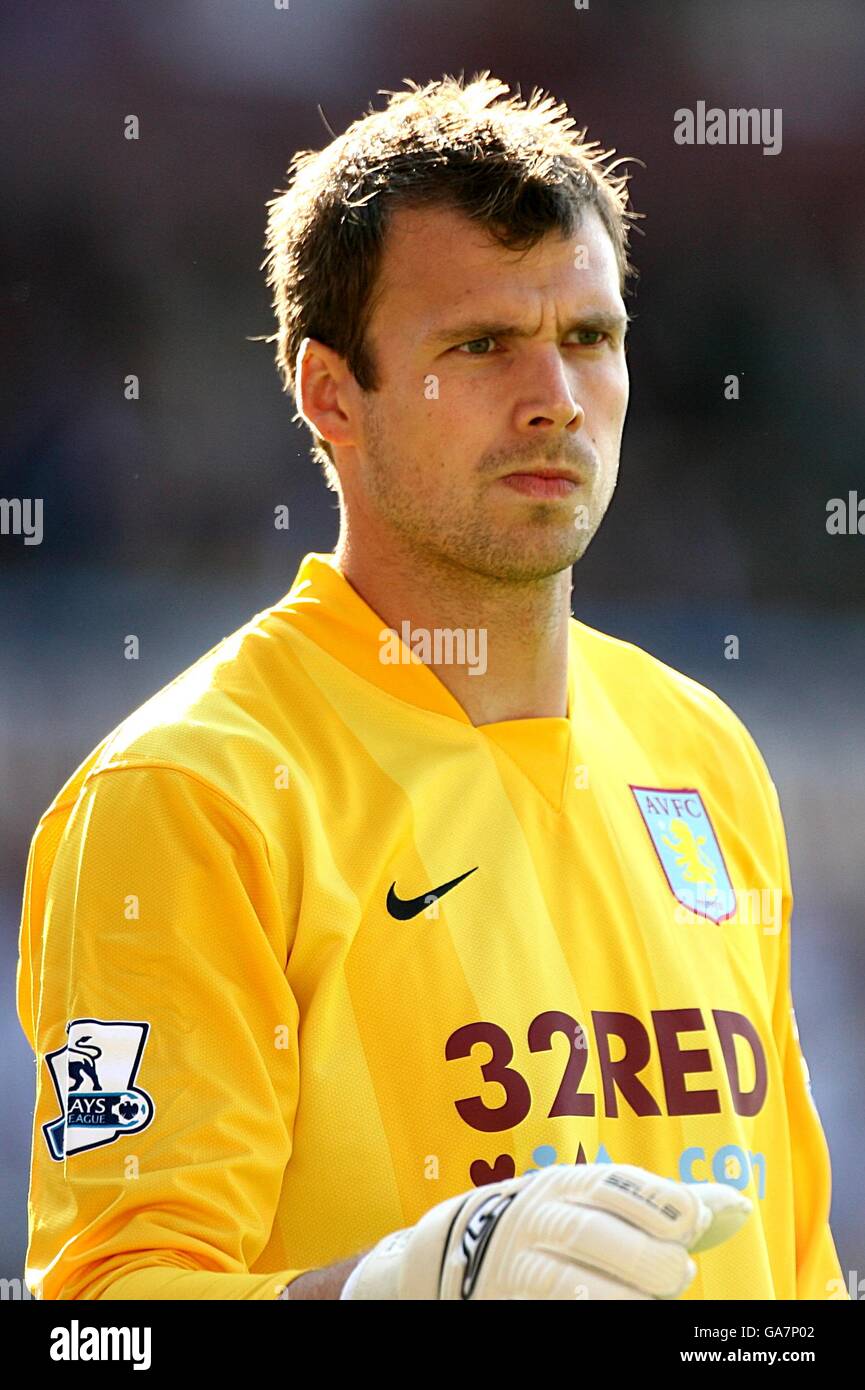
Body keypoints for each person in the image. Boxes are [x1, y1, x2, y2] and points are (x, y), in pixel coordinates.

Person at [17, 73, 846, 1301]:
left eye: (588, 337)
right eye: (480, 344)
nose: (555, 399)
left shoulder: (703, 751)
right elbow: (99, 1328)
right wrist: (402, 1288)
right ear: (329, 395)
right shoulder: (190, 793)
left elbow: (793, 1278)